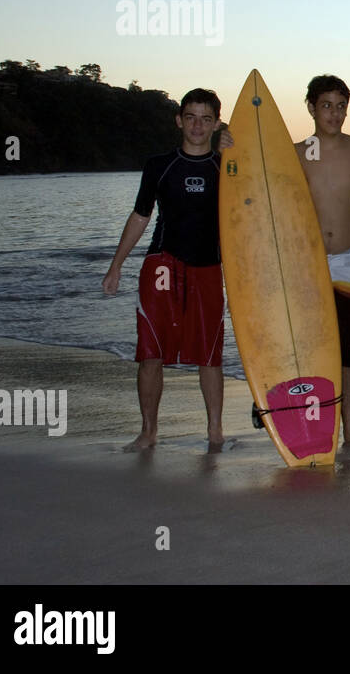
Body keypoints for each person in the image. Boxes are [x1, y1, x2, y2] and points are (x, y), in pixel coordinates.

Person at [102, 89, 233, 452]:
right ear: (179, 120)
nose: (197, 125)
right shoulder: (159, 165)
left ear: (216, 123)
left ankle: (216, 432)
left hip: (208, 268)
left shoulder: (227, 166)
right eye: (190, 117)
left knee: (210, 354)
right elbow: (141, 216)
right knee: (151, 353)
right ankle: (148, 432)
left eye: (206, 118)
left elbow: (246, 216)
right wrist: (116, 267)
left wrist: (236, 146)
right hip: (162, 264)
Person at [294, 75, 350, 447]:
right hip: (306, 265)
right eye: (327, 105)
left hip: (348, 260)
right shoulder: (294, 153)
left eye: (341, 106)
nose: (335, 113)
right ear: (311, 107)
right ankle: (313, 427)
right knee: (310, 352)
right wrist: (226, 144)